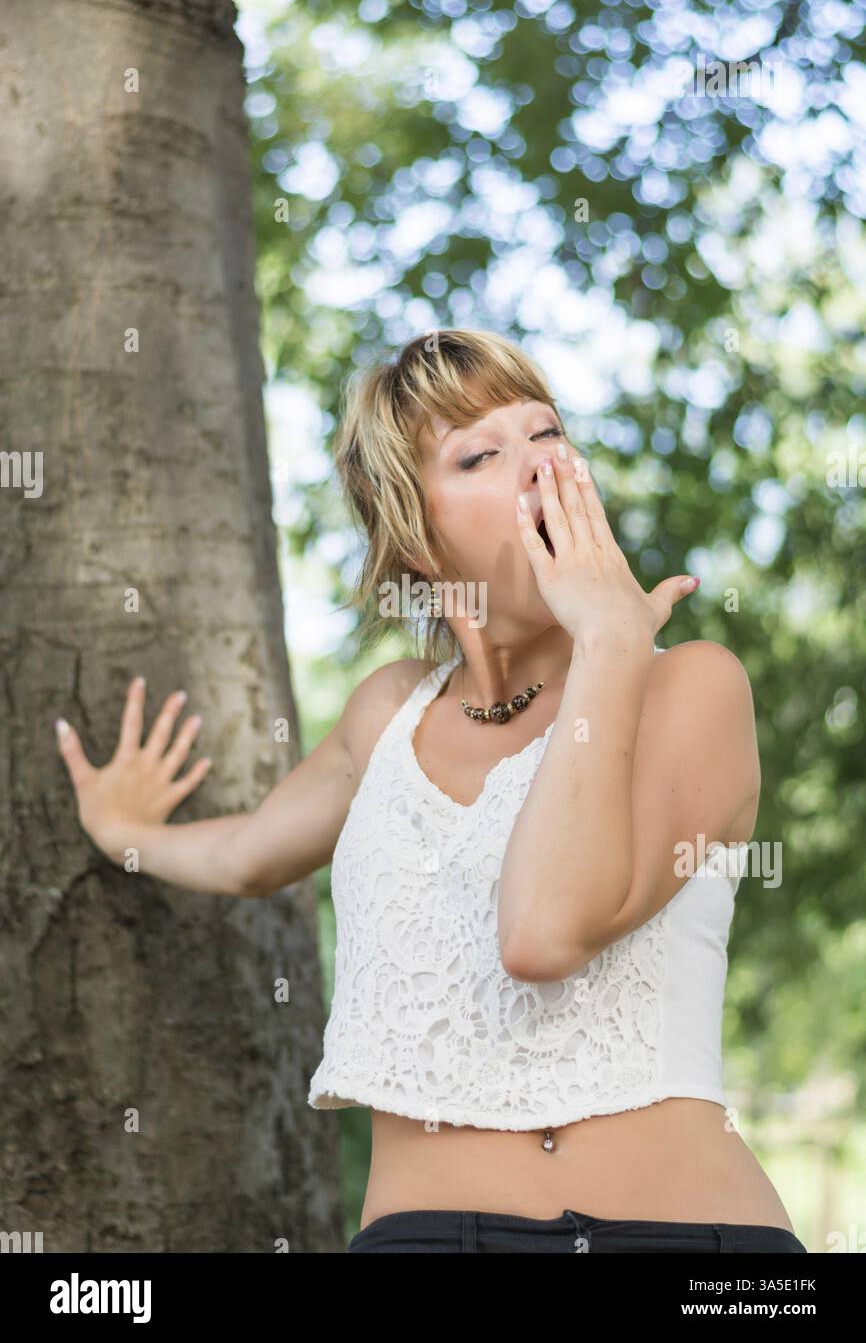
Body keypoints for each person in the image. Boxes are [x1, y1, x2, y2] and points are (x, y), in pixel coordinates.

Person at [56, 329, 807, 1255]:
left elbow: (542, 932)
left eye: (548, 433)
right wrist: (122, 828)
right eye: (481, 453)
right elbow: (248, 854)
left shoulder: (688, 685)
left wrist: (612, 645)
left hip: (693, 1243)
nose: (541, 465)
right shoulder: (386, 717)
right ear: (414, 537)